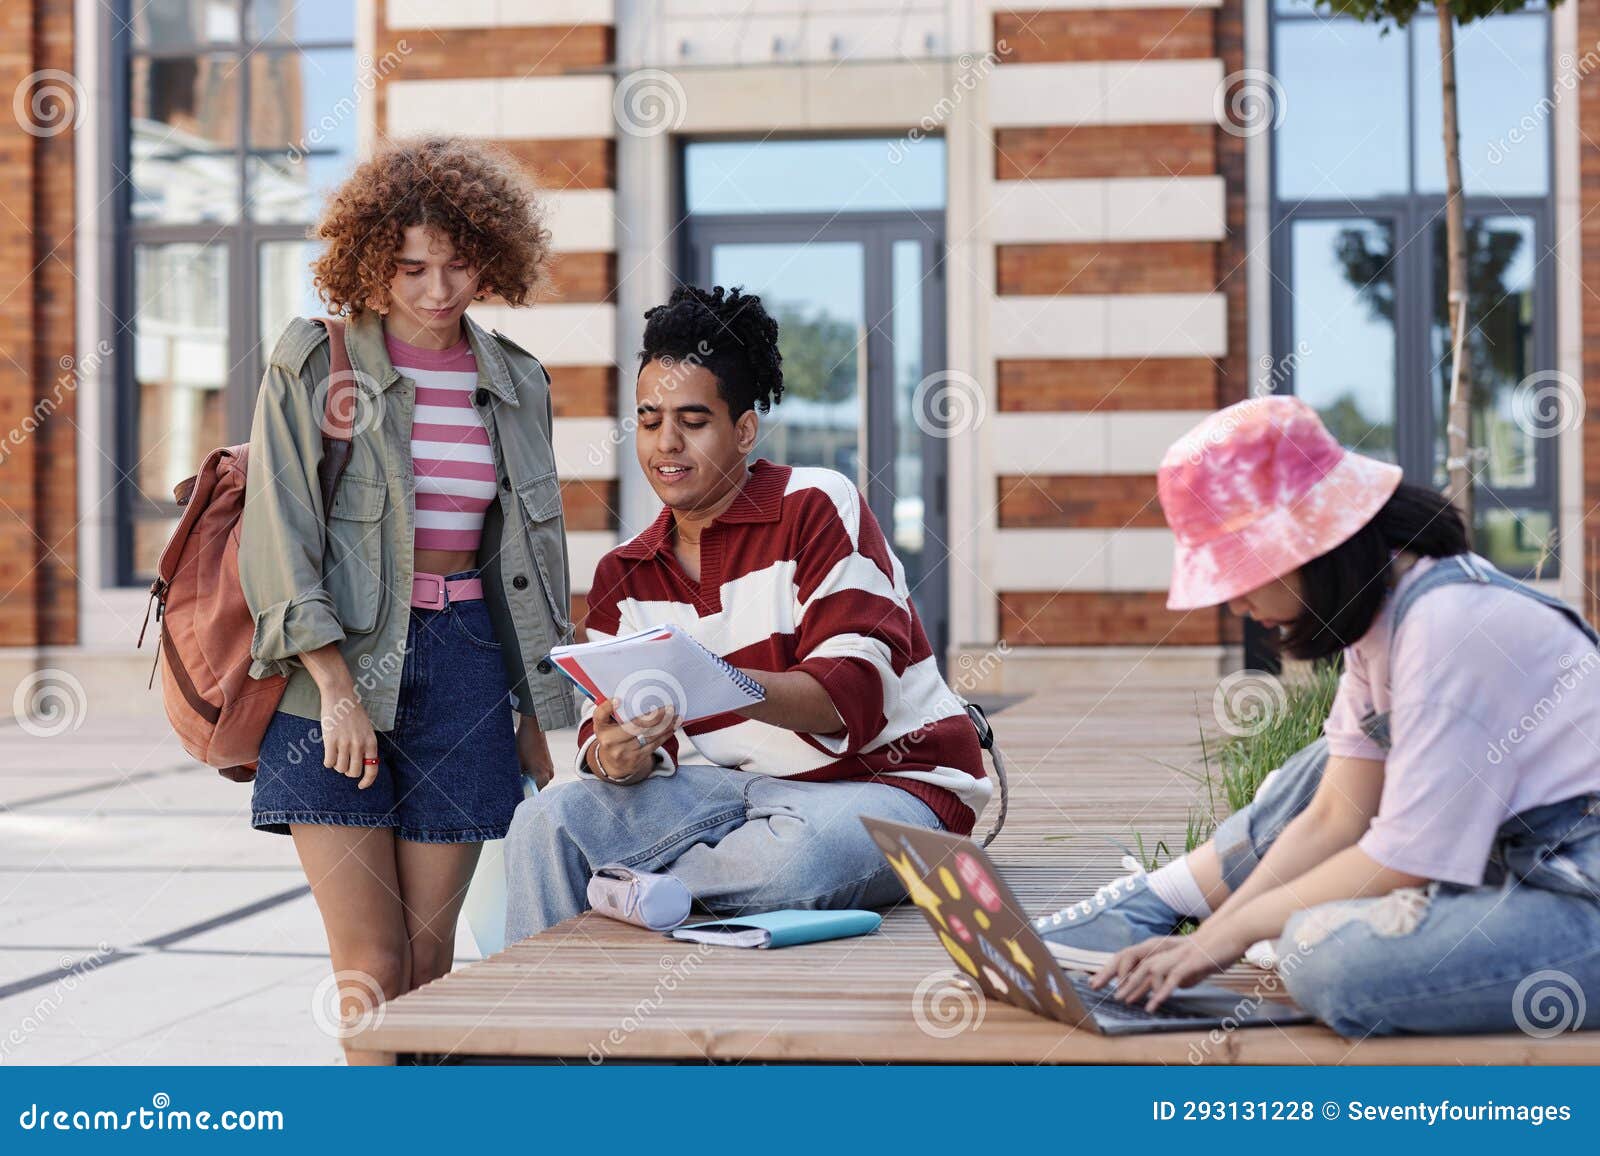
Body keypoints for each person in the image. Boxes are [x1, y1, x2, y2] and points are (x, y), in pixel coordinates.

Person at [1038, 395, 1600, 1037]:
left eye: (1241, 574)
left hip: (1578, 896)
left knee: (1324, 958)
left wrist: (1222, 941)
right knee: (1305, 916)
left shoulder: (1449, 627)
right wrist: (1211, 937)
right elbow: (1336, 814)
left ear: (1313, 546)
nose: (1236, 603)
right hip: (1528, 876)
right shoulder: (1390, 619)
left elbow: (1405, 855)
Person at [503, 285, 991, 940]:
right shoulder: (625, 572)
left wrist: (709, 678)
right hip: (733, 798)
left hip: (891, 789)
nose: (666, 443)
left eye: (693, 421)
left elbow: (850, 698)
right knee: (546, 823)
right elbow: (624, 742)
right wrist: (619, 756)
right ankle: (544, 1025)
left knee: (799, 856)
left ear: (744, 430)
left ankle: (638, 892)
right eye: (649, 421)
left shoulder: (816, 505)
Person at [239, 138, 578, 1059]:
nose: (437, 289)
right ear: (371, 260)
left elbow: (529, 565)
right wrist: (337, 684)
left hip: (466, 668)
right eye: (412, 267)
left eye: (458, 264)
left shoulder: (515, 383)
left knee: (431, 967)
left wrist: (538, 710)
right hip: (330, 682)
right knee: (371, 962)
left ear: (490, 260)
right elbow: (278, 535)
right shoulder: (317, 363)